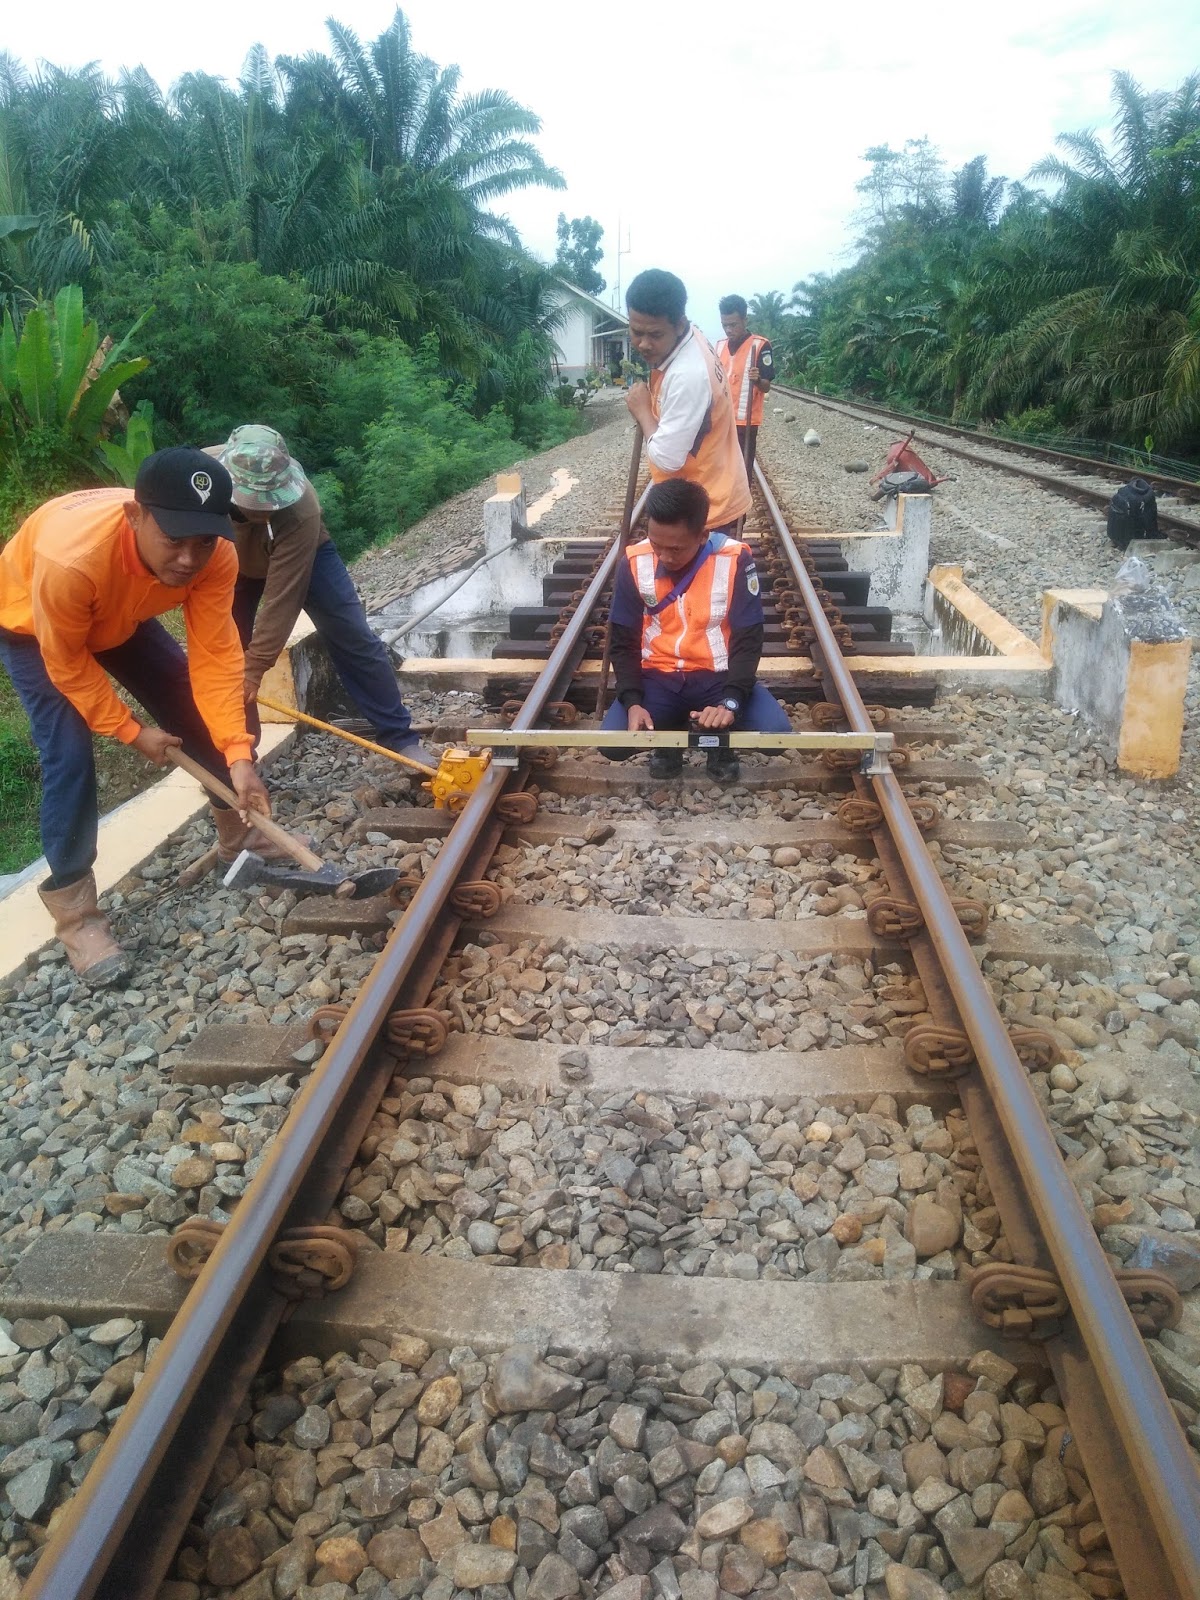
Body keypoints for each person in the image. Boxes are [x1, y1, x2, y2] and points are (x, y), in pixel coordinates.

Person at [0, 449, 273, 987]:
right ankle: (78, 918)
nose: (190, 560)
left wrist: (237, 754)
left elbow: (217, 656)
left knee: (212, 719)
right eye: (174, 540)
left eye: (203, 540)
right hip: (37, 627)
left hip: (119, 615)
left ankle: (238, 841)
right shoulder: (70, 560)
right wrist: (128, 730)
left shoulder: (216, 555)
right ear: (135, 517)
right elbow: (68, 662)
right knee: (69, 753)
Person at [208, 425, 433, 765]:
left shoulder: (301, 510)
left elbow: (282, 598)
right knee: (227, 651)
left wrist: (255, 670)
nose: (265, 508)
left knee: (352, 635)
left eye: (271, 498)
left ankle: (399, 735)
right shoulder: (200, 480)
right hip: (230, 561)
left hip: (304, 556)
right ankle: (238, 754)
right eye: (256, 501)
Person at [600, 478, 791, 782]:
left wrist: (731, 701)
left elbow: (749, 639)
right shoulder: (634, 561)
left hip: (718, 676)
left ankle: (720, 745)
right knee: (614, 744)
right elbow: (622, 640)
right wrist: (633, 701)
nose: (663, 556)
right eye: (656, 544)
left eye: (676, 548)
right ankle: (668, 743)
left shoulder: (734, 560)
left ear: (703, 535)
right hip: (659, 678)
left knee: (775, 735)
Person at [623, 269, 751, 533]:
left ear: (679, 325)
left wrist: (644, 411)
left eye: (655, 335)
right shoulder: (692, 339)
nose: (644, 344)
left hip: (704, 514)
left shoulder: (687, 376)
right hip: (706, 495)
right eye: (636, 332)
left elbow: (667, 459)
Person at [715, 294, 775, 476]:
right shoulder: (719, 347)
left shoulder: (761, 345)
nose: (728, 330)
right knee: (720, 471)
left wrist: (757, 380)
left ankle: (741, 504)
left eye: (733, 325)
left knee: (741, 472)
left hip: (745, 423)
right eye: (724, 325)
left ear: (744, 319)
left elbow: (766, 386)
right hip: (720, 420)